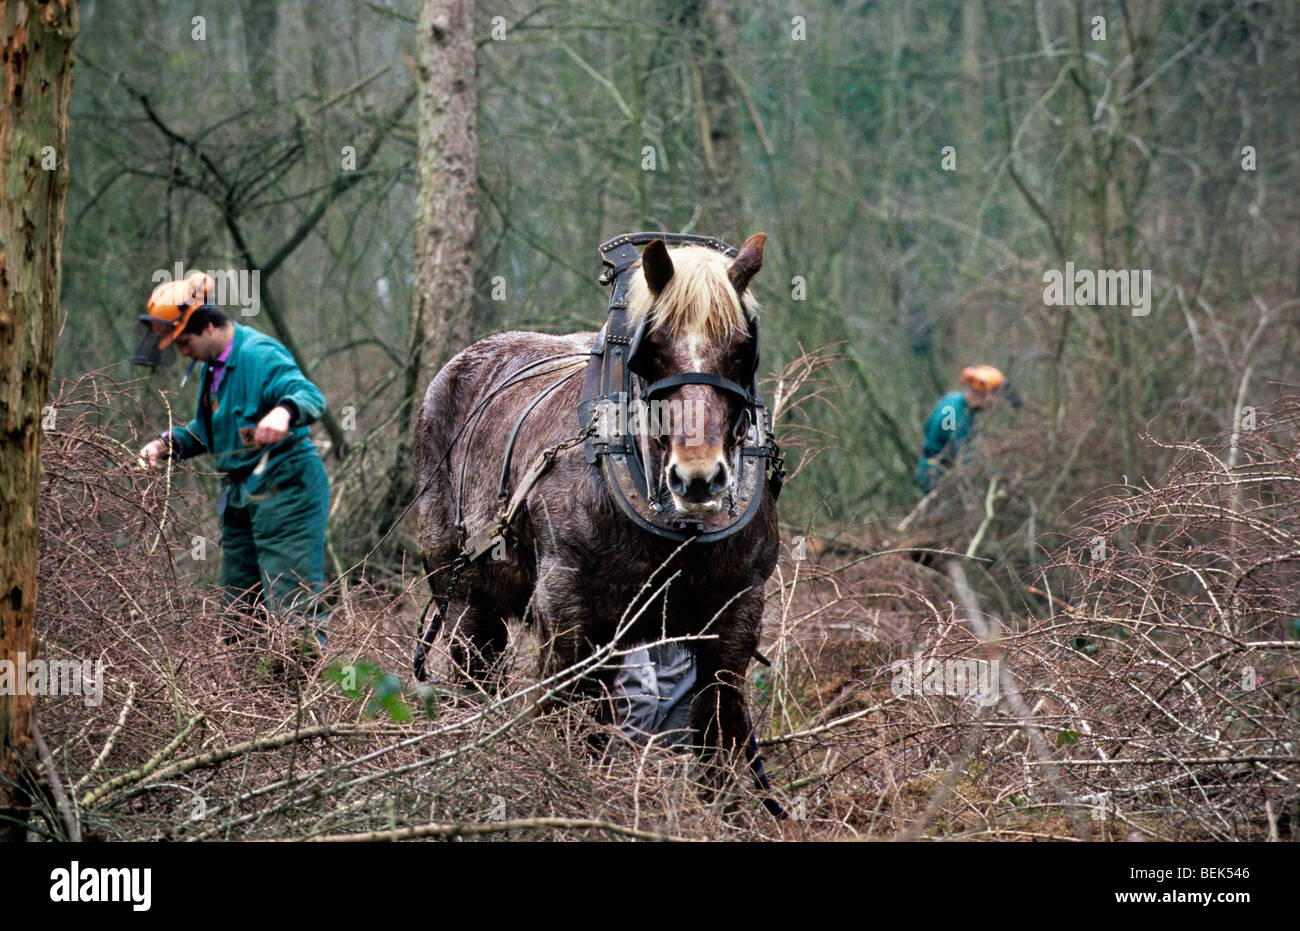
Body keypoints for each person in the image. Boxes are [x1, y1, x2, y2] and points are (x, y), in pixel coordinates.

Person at [135, 272, 330, 644]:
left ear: (208, 327)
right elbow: (210, 430)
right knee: (240, 616)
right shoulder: (213, 369)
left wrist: (284, 412)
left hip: (286, 489)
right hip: (242, 497)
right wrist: (165, 444)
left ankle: (303, 695)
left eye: (184, 341)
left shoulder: (258, 354)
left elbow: (307, 393)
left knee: (292, 611)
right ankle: (250, 698)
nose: (183, 352)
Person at [914, 365, 1018, 493]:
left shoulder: (953, 399)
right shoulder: (957, 417)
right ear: (984, 394)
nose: (994, 402)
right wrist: (996, 476)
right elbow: (967, 457)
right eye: (994, 396)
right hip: (935, 476)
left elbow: (927, 426)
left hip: (929, 466)